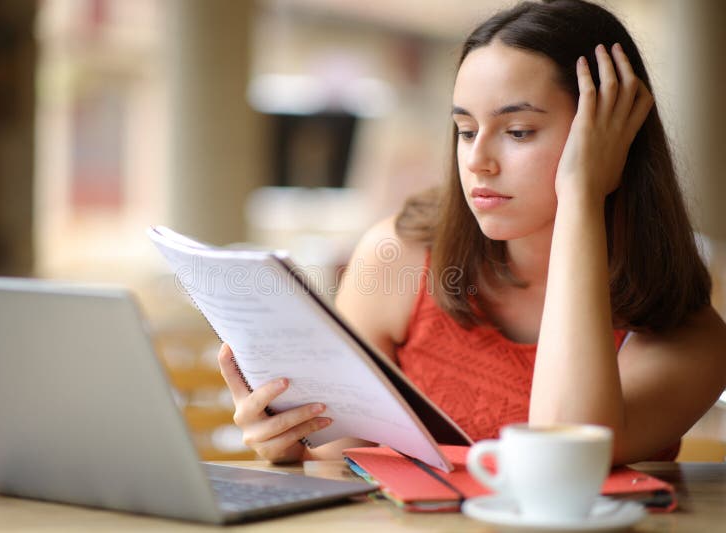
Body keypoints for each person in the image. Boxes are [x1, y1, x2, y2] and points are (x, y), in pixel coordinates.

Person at [218, 0, 726, 466]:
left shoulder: (690, 339)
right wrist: (289, 443)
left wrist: (581, 195)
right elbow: (344, 461)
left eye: (518, 131)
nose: (478, 161)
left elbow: (562, 455)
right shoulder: (401, 256)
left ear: (613, 139)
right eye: (465, 130)